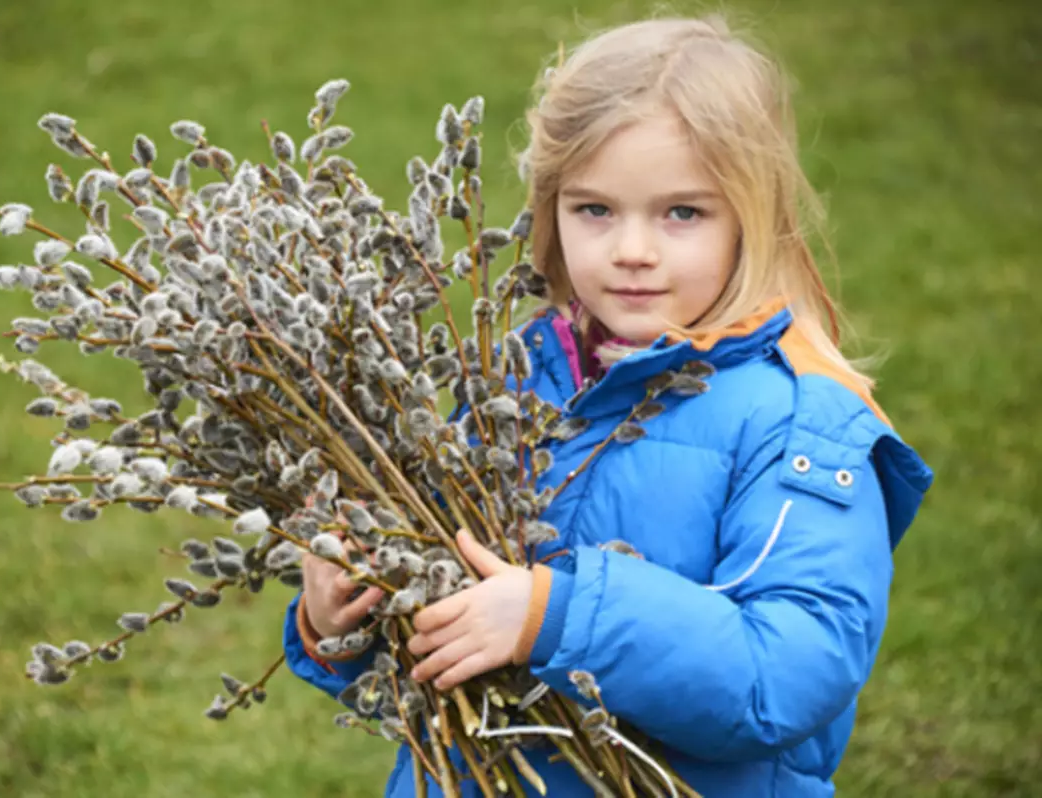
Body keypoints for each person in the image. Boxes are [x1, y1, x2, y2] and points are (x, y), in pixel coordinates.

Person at [283, 14, 933, 797]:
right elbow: (428, 667)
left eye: (681, 213)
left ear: (752, 216)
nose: (632, 249)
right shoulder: (507, 386)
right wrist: (339, 624)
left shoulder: (798, 423)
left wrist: (554, 618)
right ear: (549, 210)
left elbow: (785, 677)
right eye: (595, 209)